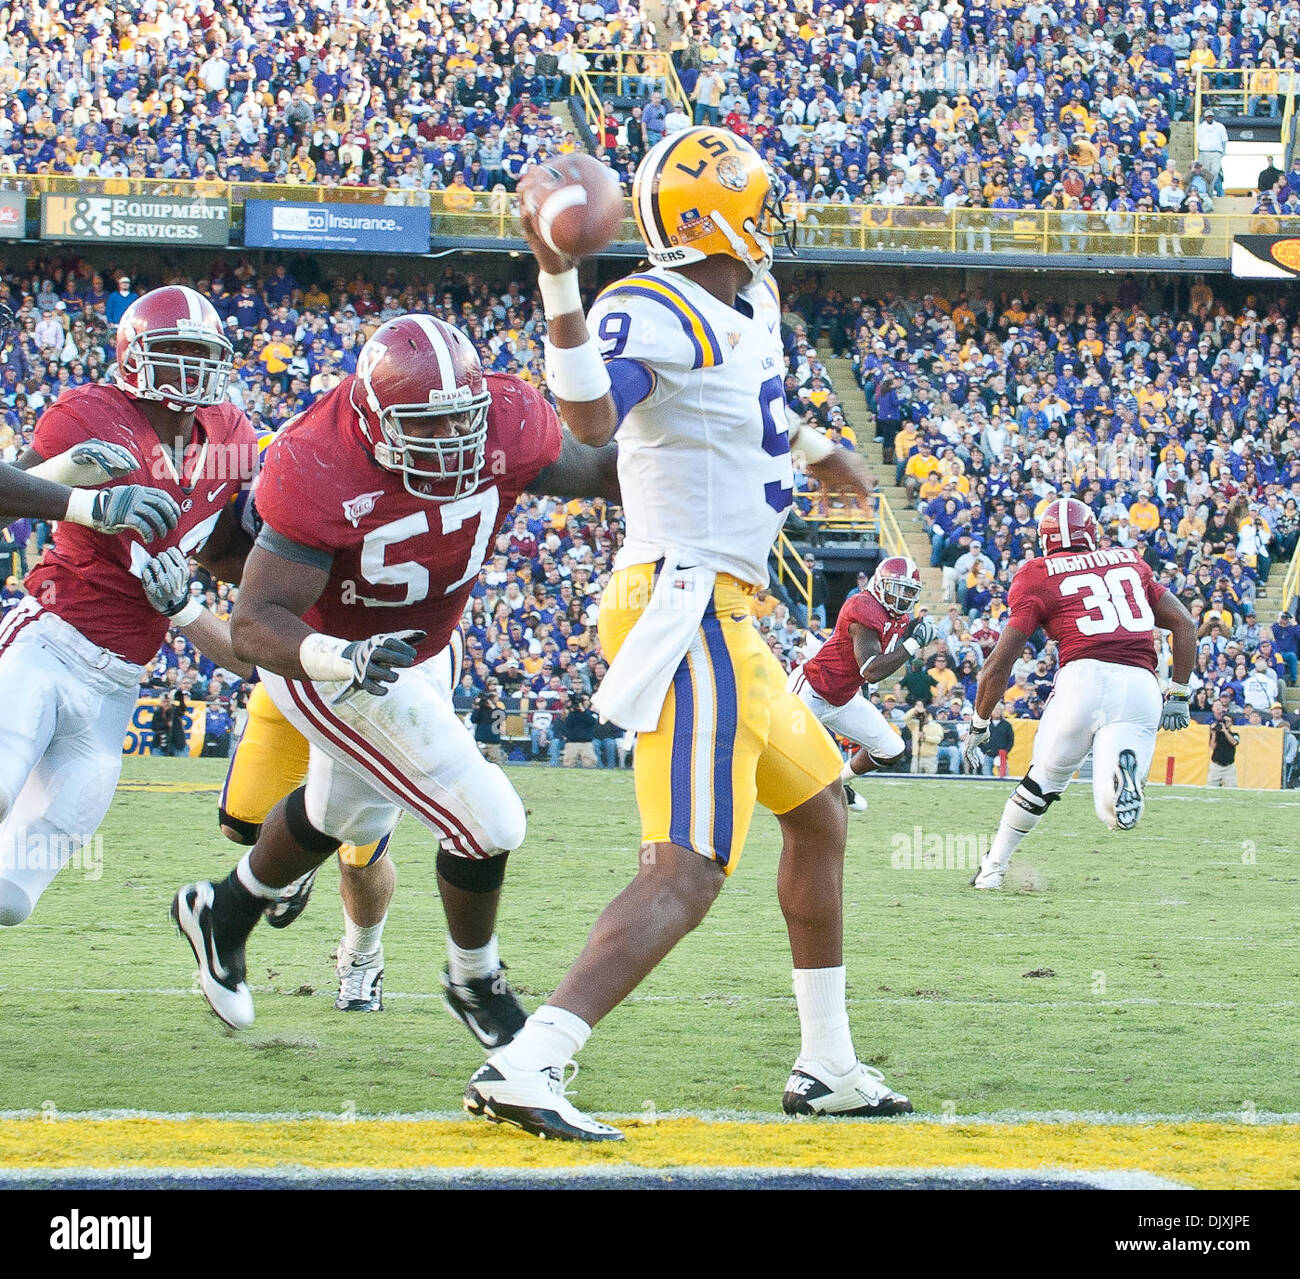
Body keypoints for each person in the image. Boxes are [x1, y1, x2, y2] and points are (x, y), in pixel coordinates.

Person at [463, 125, 909, 1142]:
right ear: (723, 215)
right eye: (757, 203)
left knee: (819, 812)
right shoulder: (646, 305)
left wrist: (815, 445)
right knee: (688, 865)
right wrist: (558, 279)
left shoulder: (751, 301)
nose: (771, 221)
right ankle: (531, 1060)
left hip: (734, 616)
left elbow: (749, 406)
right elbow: (585, 421)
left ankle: (827, 1063)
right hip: (684, 605)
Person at [170, 314, 621, 1039]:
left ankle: (222, 911)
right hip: (331, 661)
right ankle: (475, 980)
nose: (449, 442)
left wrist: (699, 483)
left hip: (427, 644)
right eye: (425, 425)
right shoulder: (315, 460)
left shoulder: (508, 420)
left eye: (458, 421)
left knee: (342, 813)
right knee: (491, 821)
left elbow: (603, 471)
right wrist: (338, 658)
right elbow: (257, 622)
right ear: (373, 417)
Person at [0, 285, 256, 928]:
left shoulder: (229, 433)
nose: (195, 368)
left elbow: (232, 570)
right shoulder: (91, 412)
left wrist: (188, 608)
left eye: (205, 352)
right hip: (48, 644)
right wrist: (72, 490)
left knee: (11, 896)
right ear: (136, 356)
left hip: (119, 687)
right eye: (178, 352)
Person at [964, 497, 1197, 889]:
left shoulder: (1037, 573)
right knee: (1112, 814)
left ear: (1045, 540)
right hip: (1141, 685)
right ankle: (1120, 781)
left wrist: (979, 721)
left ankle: (992, 871)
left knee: (1043, 781)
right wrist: (1179, 692)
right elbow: (1185, 624)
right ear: (1092, 535)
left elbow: (999, 665)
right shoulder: (1127, 560)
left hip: (1083, 680)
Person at [788, 555, 937, 812]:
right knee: (785, 754)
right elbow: (871, 670)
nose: (902, 598)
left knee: (892, 749)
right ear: (879, 584)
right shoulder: (862, 607)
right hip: (811, 689)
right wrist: (913, 644)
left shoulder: (898, 616)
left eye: (908, 592)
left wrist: (912, 631)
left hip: (843, 697)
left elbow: (877, 659)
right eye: (896, 589)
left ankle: (838, 784)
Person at [1208, 714, 1240, 787]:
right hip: (1216, 765)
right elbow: (1212, 746)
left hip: (1229, 767)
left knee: (1232, 787)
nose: (1226, 723)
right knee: (1210, 787)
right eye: (1224, 721)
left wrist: (1225, 730)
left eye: (1228, 721)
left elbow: (1234, 742)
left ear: (1232, 723)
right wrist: (1214, 732)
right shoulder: (1217, 734)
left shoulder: (1235, 734)